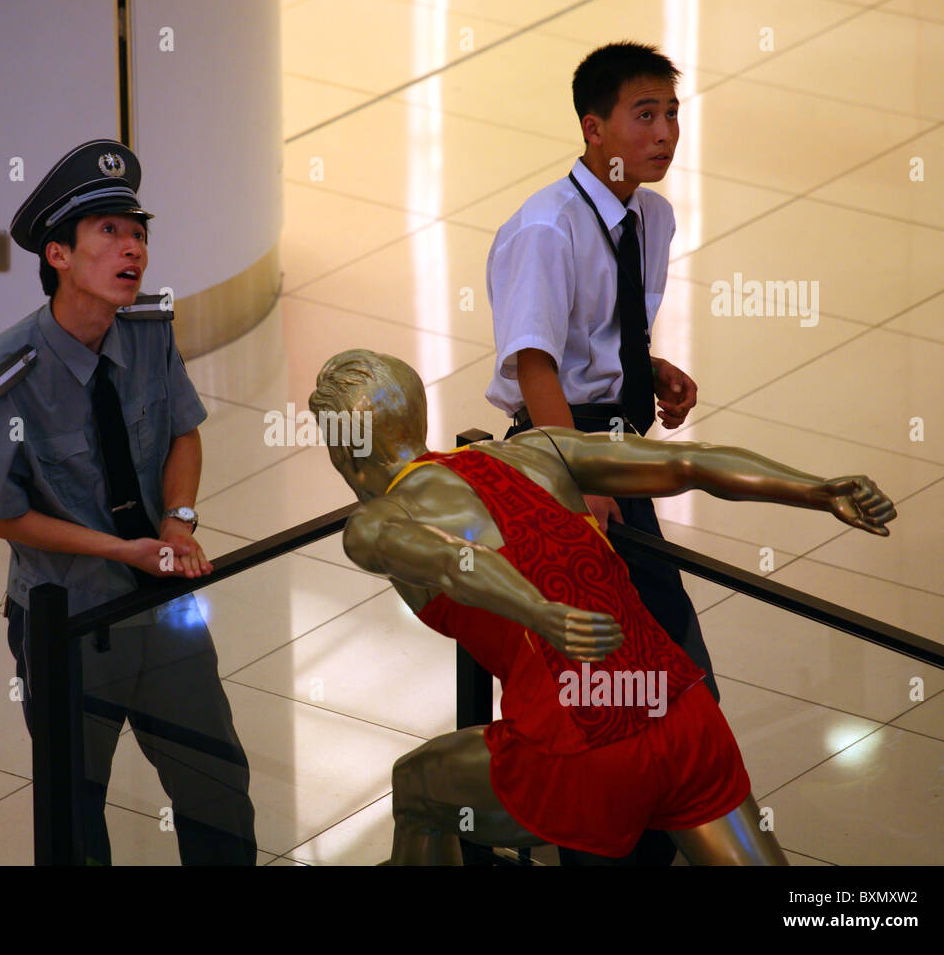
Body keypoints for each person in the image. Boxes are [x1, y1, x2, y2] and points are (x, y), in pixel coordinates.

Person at [310, 349, 896, 865]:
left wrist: (538, 612)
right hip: (681, 710)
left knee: (416, 787)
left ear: (342, 450)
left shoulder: (376, 524)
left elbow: (449, 562)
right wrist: (817, 489)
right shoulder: (535, 451)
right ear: (418, 411)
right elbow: (689, 462)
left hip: (581, 750)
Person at [0, 139, 255, 865]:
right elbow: (3, 516)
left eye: (139, 233)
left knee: (216, 788)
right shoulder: (4, 377)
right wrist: (123, 549)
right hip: (67, 624)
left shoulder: (148, 330)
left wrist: (177, 520)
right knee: (76, 817)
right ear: (58, 255)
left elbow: (184, 433)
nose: (132, 250)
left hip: (163, 603)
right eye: (109, 233)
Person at [486, 42, 707, 865]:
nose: (664, 132)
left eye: (672, 113)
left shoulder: (651, 217)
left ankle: (647, 828)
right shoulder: (545, 228)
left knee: (654, 652)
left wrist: (650, 370)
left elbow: (604, 330)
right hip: (560, 459)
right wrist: (577, 484)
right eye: (643, 115)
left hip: (614, 452)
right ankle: (611, 841)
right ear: (593, 127)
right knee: (614, 667)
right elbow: (536, 360)